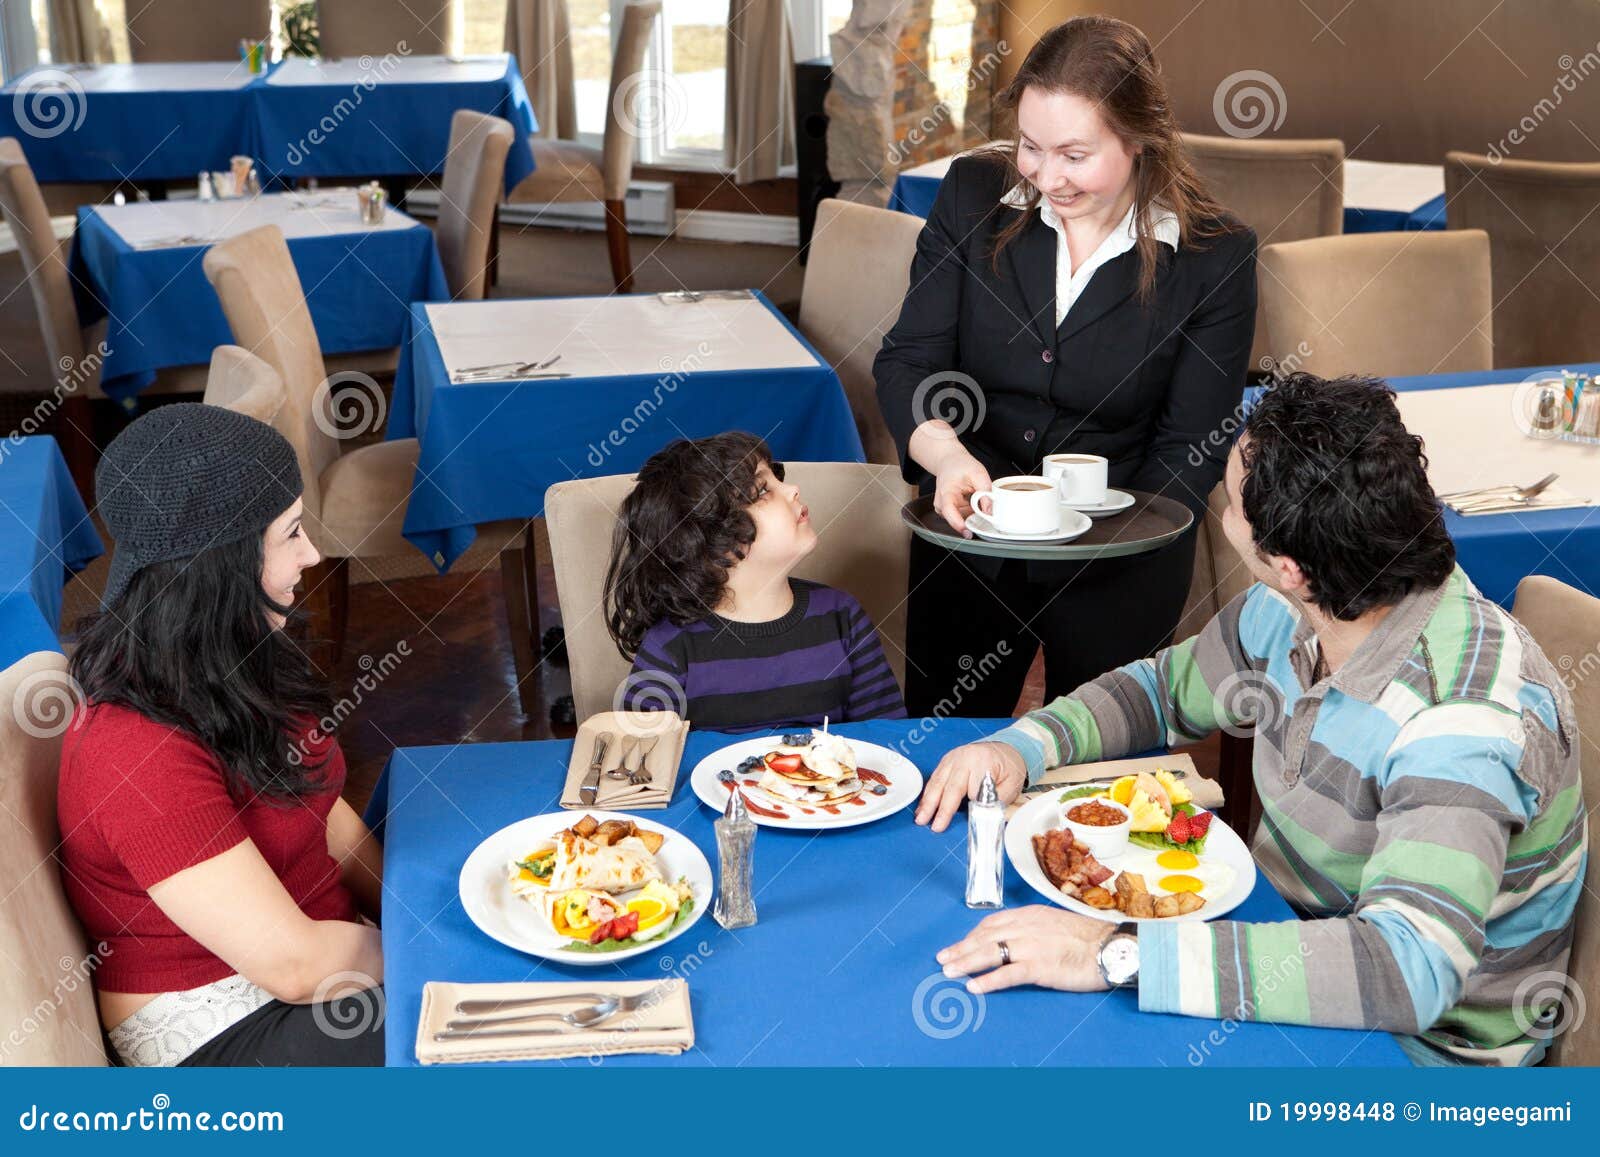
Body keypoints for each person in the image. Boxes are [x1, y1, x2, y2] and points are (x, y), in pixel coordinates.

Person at [922, 373, 1586, 1066]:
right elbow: (1159, 692)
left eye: (1233, 502)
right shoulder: (1303, 607)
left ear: (1290, 565)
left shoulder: (1464, 721)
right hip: (1283, 947)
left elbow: (1405, 969)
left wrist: (1112, 951)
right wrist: (1026, 743)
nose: (1220, 503)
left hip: (1418, 1057)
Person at [874, 15, 1257, 717]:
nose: (1047, 176)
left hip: (1126, 552)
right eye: (1029, 146)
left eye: (1075, 155)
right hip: (971, 533)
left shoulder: (1215, 256)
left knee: (1100, 784)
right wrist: (947, 456)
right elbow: (909, 361)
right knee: (948, 760)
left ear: (1140, 140)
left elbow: (1187, 447)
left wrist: (1091, 542)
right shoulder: (971, 194)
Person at [58, 404, 385, 1067]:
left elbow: (325, 816)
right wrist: (430, 946)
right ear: (224, 567)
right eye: (291, 533)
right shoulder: (131, 751)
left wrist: (426, 909)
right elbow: (292, 965)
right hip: (223, 1028)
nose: (312, 553)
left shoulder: (232, 654)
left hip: (313, 960)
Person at [605, 432, 905, 731]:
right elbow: (642, 763)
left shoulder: (842, 615)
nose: (793, 489)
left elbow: (886, 739)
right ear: (704, 542)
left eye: (778, 478)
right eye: (762, 490)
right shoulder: (669, 646)